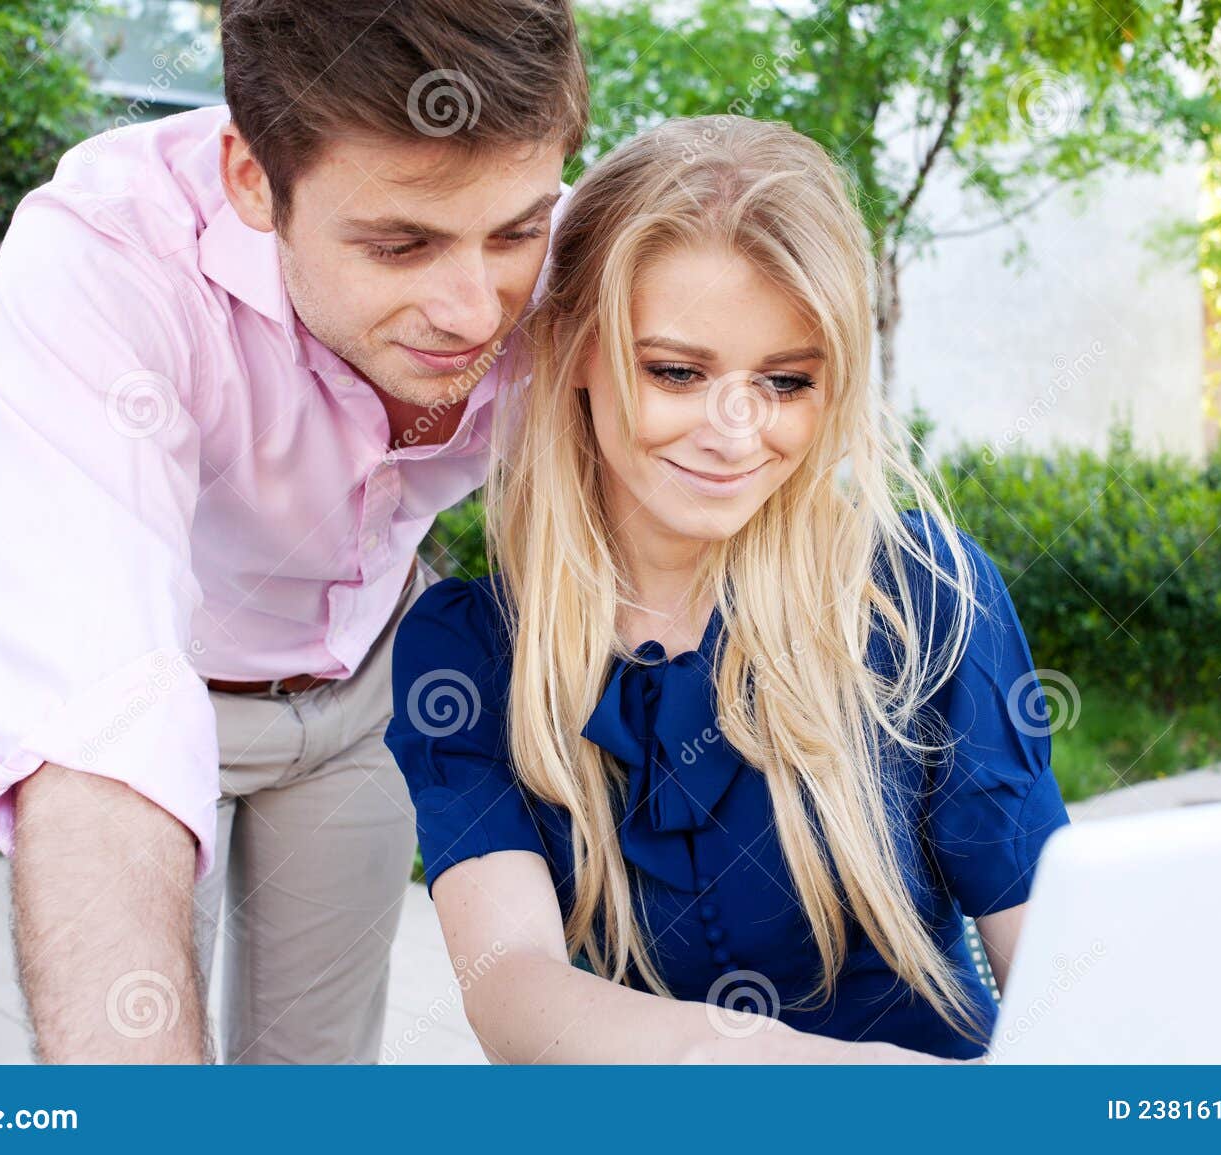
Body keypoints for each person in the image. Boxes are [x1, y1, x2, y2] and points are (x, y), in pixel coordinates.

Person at [0, 0, 586, 1063]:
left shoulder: (572, 261)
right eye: (402, 244)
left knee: (314, 1080)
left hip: (365, 695)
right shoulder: (105, 260)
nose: (477, 311)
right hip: (174, 697)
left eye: (516, 232)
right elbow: (97, 716)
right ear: (252, 176)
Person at [383, 115, 1073, 1063]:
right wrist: (804, 1072)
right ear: (576, 349)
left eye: (787, 382)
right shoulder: (466, 650)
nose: (736, 430)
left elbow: (1052, 955)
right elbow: (512, 990)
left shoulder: (922, 596)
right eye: (676, 371)